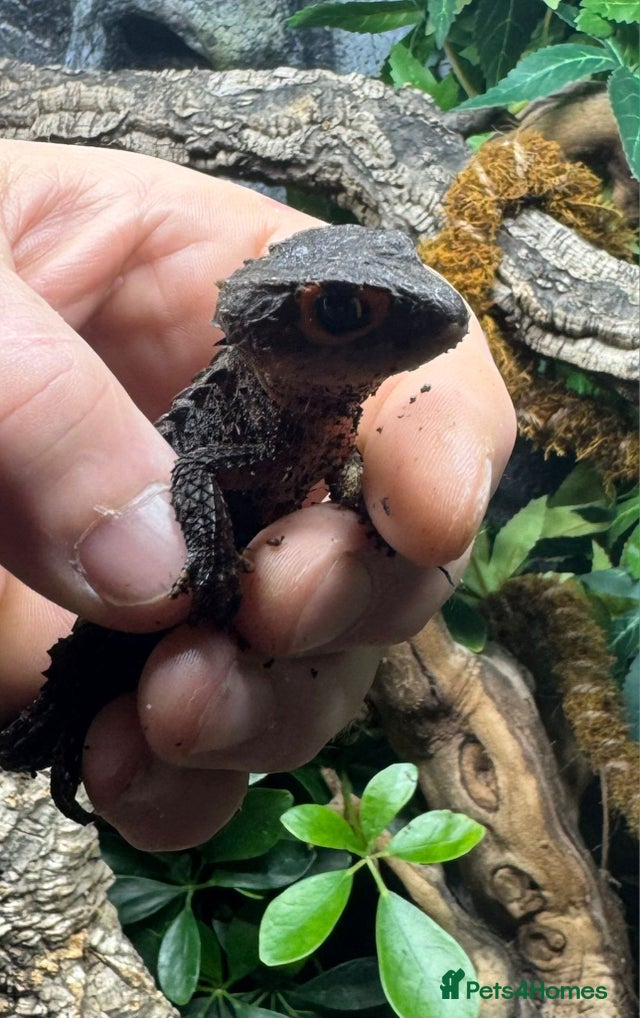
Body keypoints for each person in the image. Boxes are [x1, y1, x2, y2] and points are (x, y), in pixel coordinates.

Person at [0, 140, 516, 850]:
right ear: (269, 332)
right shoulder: (250, 418)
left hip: (160, 619)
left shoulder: (329, 416)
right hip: (132, 612)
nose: (433, 308)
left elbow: (340, 467)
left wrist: (359, 504)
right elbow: (192, 471)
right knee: (91, 685)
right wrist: (209, 565)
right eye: (340, 309)